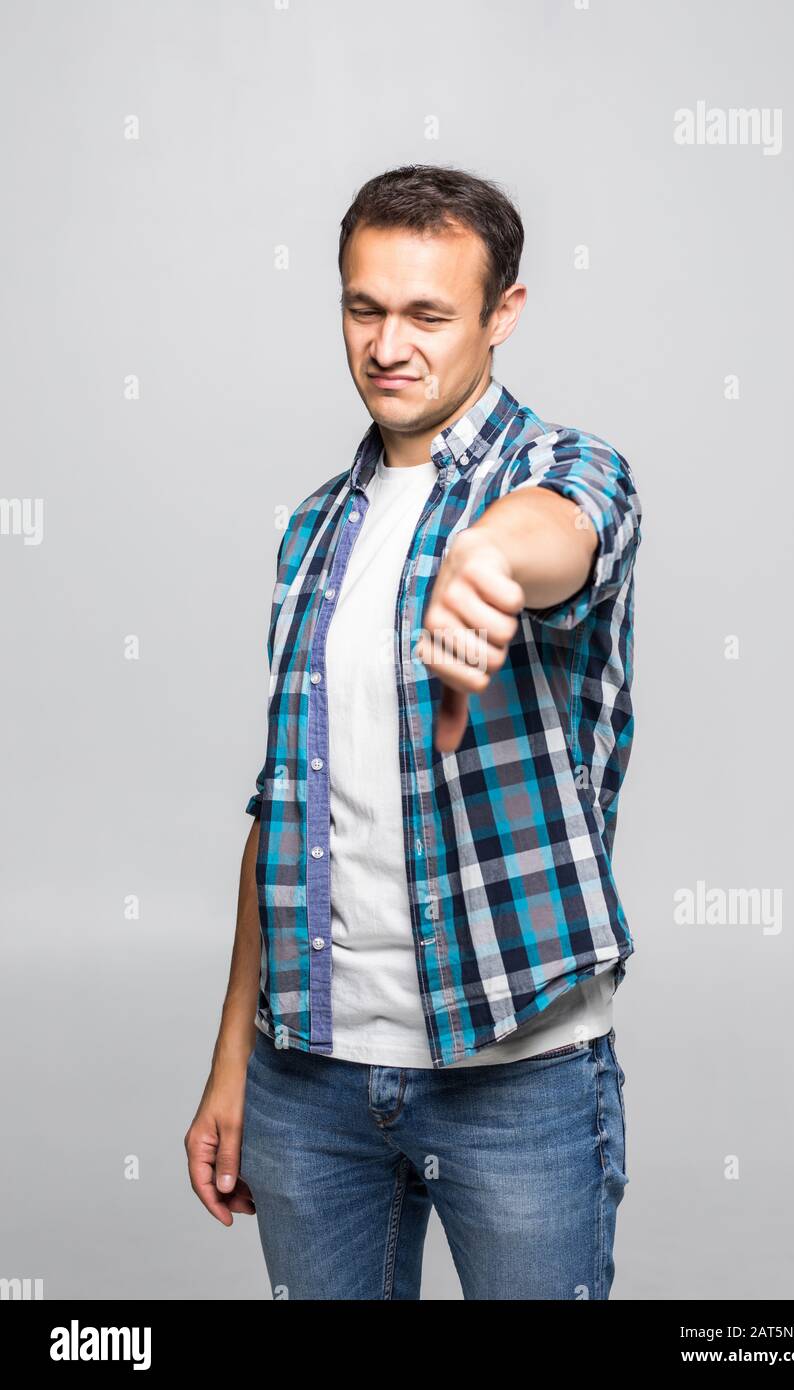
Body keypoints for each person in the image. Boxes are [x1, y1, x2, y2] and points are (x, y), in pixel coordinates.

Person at [185, 164, 642, 1300]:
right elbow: (280, 809)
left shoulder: (564, 471)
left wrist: (483, 563)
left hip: (516, 1076)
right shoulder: (312, 531)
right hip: (310, 1081)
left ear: (503, 316)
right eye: (363, 307)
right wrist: (232, 1060)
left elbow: (556, 534)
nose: (388, 344)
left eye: (428, 314)